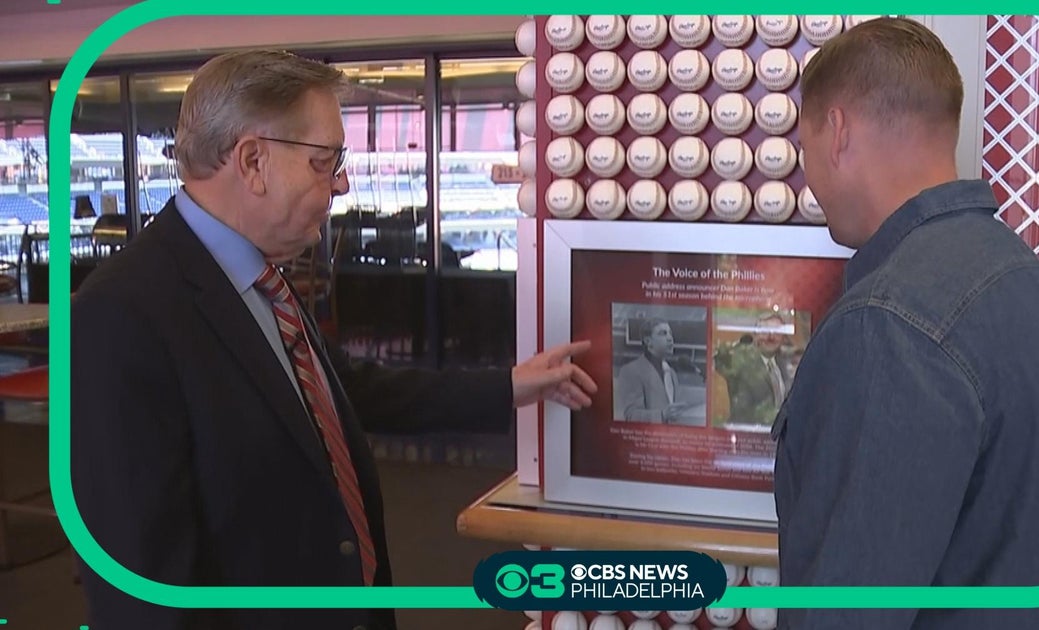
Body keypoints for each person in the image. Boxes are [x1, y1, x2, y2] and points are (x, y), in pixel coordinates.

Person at [70, 49, 597, 630]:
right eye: (325, 162)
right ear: (253, 161)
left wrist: (510, 386)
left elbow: (344, 394)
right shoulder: (120, 314)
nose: (342, 184)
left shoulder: (262, 276)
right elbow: (138, 590)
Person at [772, 18, 1039, 630]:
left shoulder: (889, 326)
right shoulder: (1026, 279)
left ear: (837, 131)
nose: (808, 176)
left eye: (806, 145)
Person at [714, 312, 791, 426]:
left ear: (784, 338)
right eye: (765, 331)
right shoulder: (741, 361)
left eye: (777, 332)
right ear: (755, 335)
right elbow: (722, 364)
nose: (771, 336)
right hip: (748, 435)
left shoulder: (784, 364)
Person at [614, 318, 690, 423]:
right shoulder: (630, 370)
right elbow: (631, 415)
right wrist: (662, 415)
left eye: (670, 333)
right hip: (646, 438)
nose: (670, 338)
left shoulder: (671, 373)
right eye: (663, 333)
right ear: (648, 341)